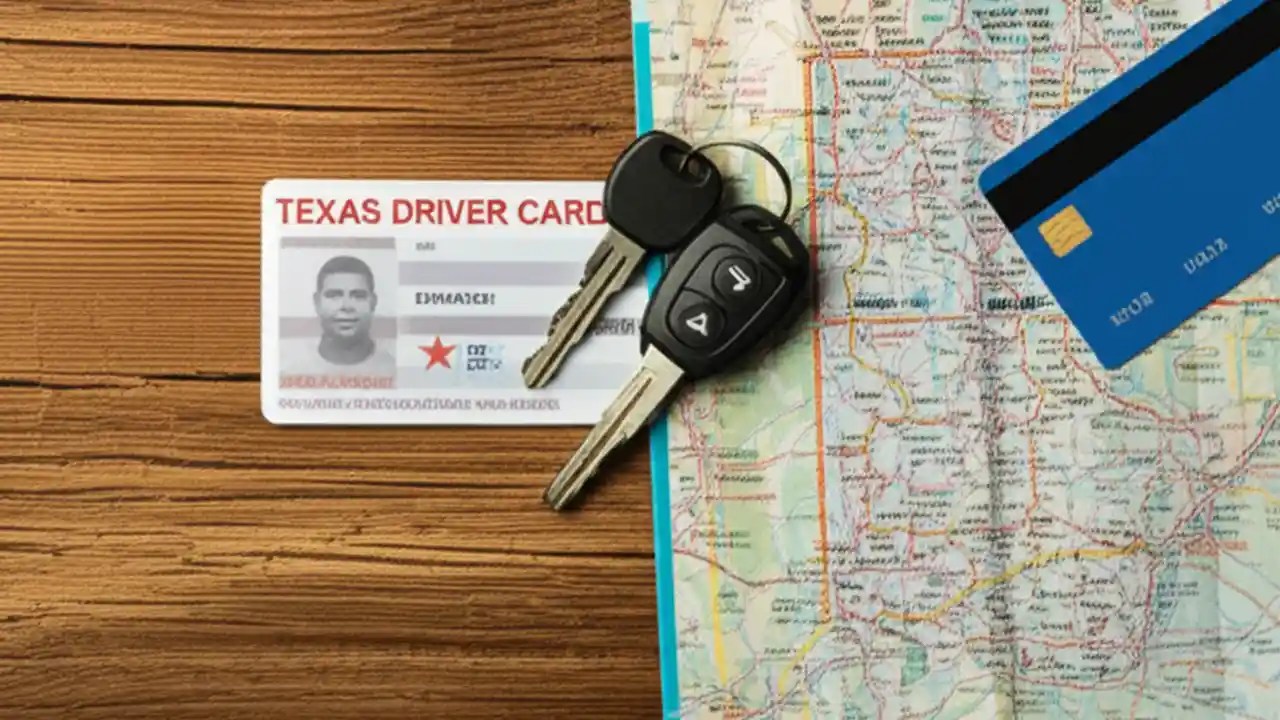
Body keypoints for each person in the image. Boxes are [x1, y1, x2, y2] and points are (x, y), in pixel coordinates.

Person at [282, 254, 395, 377]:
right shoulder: (292, 375)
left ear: (373, 303)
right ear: (317, 302)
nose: (346, 306)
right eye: (334, 295)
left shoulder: (396, 374)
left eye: (358, 296)